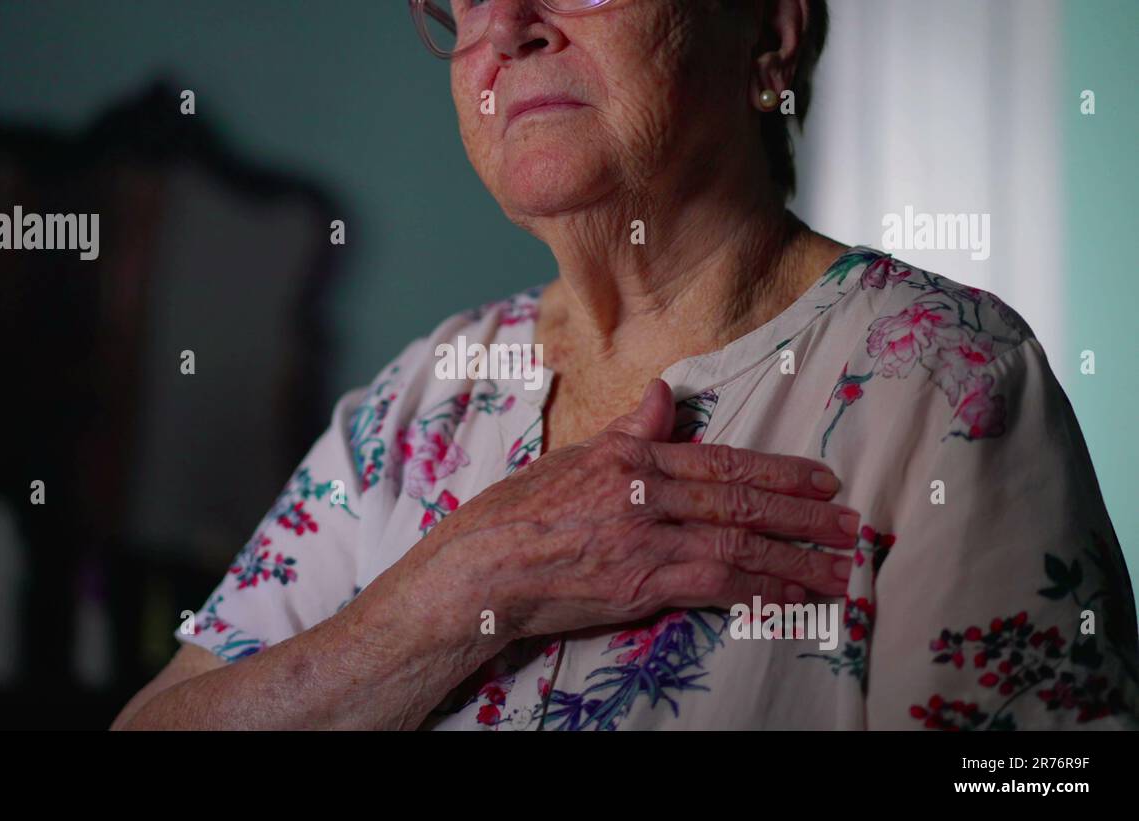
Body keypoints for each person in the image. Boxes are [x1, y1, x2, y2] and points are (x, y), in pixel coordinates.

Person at [113, 0, 1137, 730]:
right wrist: (466, 583)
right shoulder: (416, 402)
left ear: (770, 33)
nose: (506, 24)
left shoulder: (946, 380)